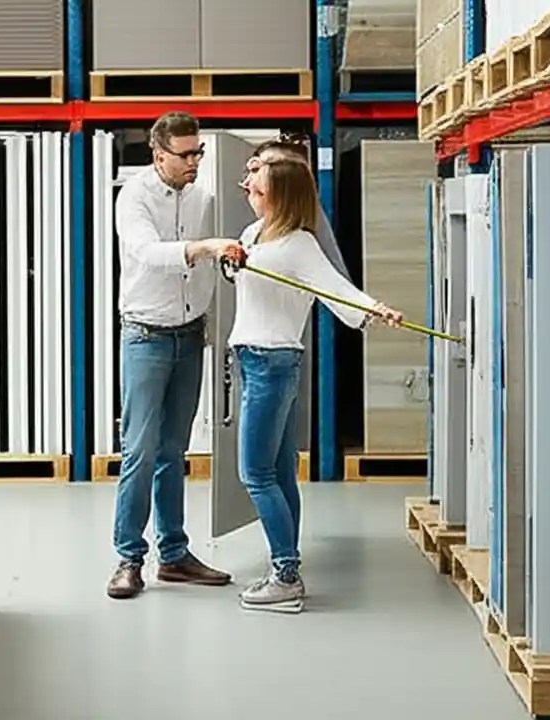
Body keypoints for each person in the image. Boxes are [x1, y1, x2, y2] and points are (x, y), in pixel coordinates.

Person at [226, 153, 402, 613]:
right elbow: (248, 277)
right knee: (280, 469)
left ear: (280, 193)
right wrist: (232, 262)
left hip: (272, 363)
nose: (247, 186)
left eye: (256, 183)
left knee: (255, 473)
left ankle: (286, 576)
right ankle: (286, 564)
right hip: (252, 359)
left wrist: (373, 309)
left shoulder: (299, 243)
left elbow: (335, 288)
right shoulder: (254, 234)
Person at [106, 111, 240, 600]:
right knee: (139, 450)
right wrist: (205, 247)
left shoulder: (205, 195)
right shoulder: (134, 197)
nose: (194, 162)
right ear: (158, 154)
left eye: (198, 152)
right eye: (185, 154)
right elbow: (147, 253)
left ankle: (175, 555)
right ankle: (127, 558)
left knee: (172, 452)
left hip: (190, 336)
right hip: (146, 336)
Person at [245, 134, 349, 277]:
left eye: (257, 170)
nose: (248, 182)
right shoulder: (251, 233)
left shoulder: (301, 242)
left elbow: (337, 285)